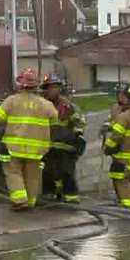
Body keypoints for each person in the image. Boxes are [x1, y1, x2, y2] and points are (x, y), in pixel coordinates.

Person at [0, 68, 58, 211]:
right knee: (33, 176)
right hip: (37, 150)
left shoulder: (11, 101)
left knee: (13, 172)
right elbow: (55, 119)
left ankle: (20, 200)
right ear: (36, 86)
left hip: (14, 147)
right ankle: (30, 202)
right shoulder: (46, 104)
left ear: (20, 85)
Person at [41, 74, 85, 203]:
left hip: (65, 146)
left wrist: (78, 134)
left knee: (66, 171)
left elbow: (79, 121)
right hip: (46, 145)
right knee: (47, 171)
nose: (53, 90)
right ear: (45, 89)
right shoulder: (40, 105)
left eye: (56, 87)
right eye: (50, 87)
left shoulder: (67, 106)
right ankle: (49, 194)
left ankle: (71, 196)